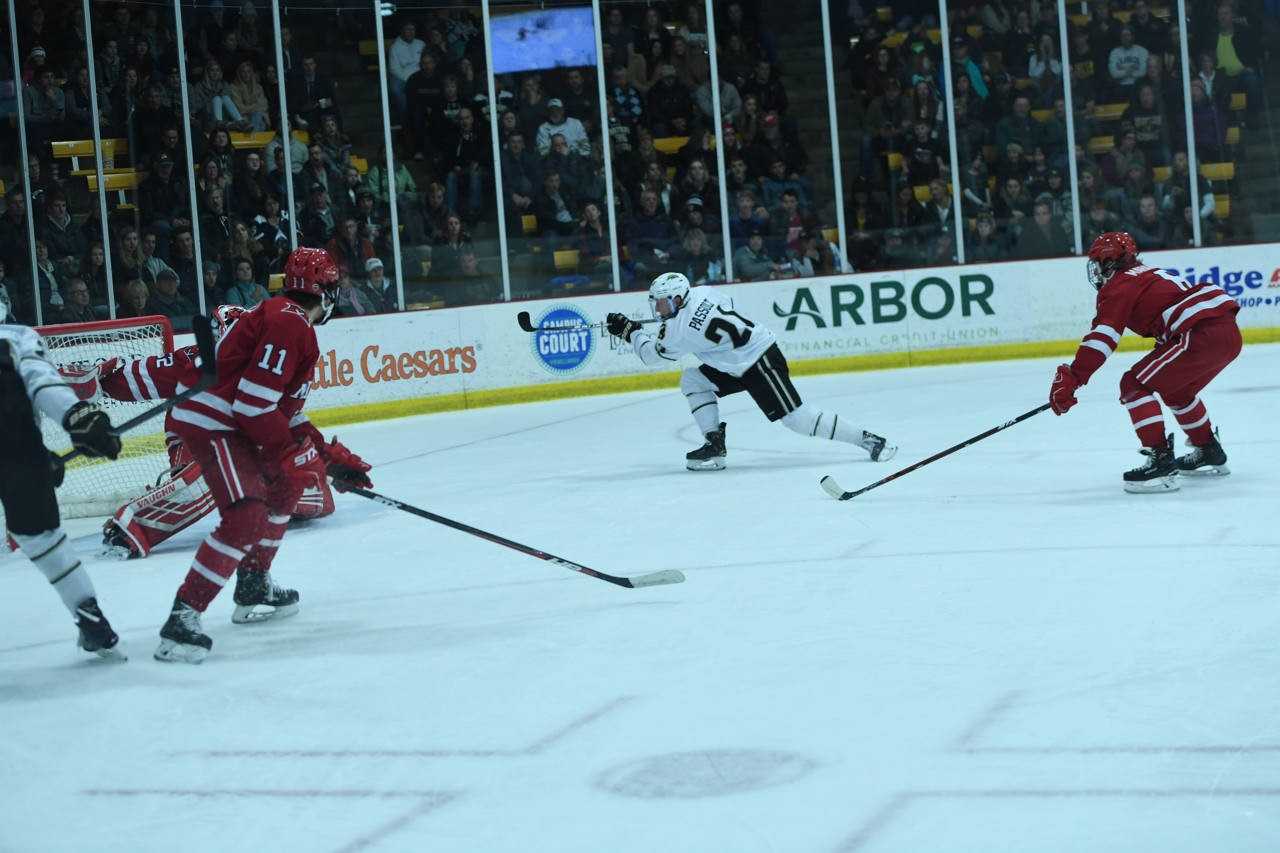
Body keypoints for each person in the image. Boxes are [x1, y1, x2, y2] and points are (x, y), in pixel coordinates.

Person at [153, 248, 371, 663]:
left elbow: (279, 412)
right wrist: (297, 454)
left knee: (286, 485)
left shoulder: (287, 318)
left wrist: (328, 457)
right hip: (211, 420)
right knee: (247, 513)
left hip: (230, 420)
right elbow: (253, 405)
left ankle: (253, 581)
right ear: (325, 291)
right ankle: (183, 618)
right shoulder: (291, 325)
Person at [93, 305, 366, 560]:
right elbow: (135, 377)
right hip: (194, 439)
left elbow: (290, 423)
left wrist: (325, 461)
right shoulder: (194, 360)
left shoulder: (270, 366)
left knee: (316, 493)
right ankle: (133, 525)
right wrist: (89, 382)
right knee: (215, 475)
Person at [606, 272, 896, 471]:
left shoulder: (675, 332)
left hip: (759, 360)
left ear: (680, 299)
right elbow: (723, 309)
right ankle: (714, 444)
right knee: (693, 379)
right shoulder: (703, 292)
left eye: (664, 302)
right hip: (735, 362)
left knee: (797, 419)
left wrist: (630, 332)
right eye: (656, 302)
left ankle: (868, 440)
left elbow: (653, 356)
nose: (659, 308)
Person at [1049, 232, 1241, 493]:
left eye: (1097, 262)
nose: (1095, 270)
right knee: (1177, 390)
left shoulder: (1119, 285)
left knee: (1133, 385)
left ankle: (1161, 460)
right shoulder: (1149, 273)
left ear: (1108, 262)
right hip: (1227, 333)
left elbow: (1103, 337)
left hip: (1199, 334)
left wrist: (1074, 376)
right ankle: (1208, 449)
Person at [0, 297, 124, 659]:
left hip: (16, 451)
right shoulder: (16, 336)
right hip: (15, 450)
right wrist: (78, 418)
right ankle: (90, 619)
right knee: (40, 537)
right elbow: (43, 386)